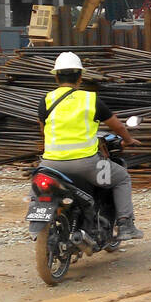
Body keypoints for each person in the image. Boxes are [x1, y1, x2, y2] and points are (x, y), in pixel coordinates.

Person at [37, 51, 145, 240]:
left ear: (56, 76)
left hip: (49, 165)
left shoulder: (46, 100)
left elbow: (43, 131)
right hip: (86, 165)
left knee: (39, 190)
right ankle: (126, 224)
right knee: (121, 178)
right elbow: (117, 125)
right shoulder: (90, 99)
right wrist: (128, 140)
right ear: (80, 76)